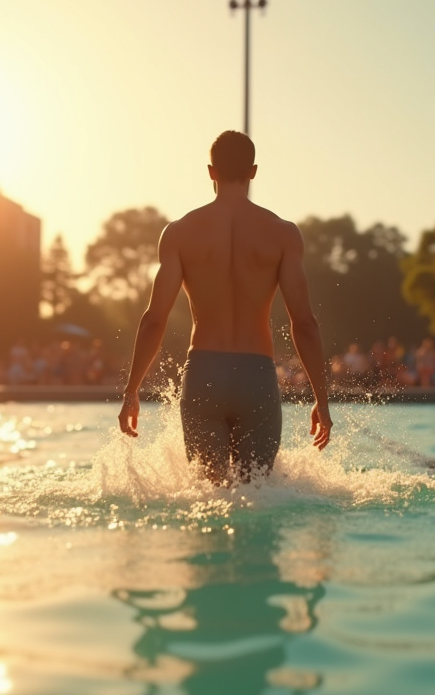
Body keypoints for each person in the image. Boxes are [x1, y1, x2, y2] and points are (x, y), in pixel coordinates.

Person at [117, 130, 331, 485]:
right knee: (258, 500)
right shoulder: (282, 234)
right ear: (254, 171)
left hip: (204, 376)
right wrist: (321, 400)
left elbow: (155, 319)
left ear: (211, 171)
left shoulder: (180, 233)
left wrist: (132, 390)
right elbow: (304, 323)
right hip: (257, 377)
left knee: (209, 501)